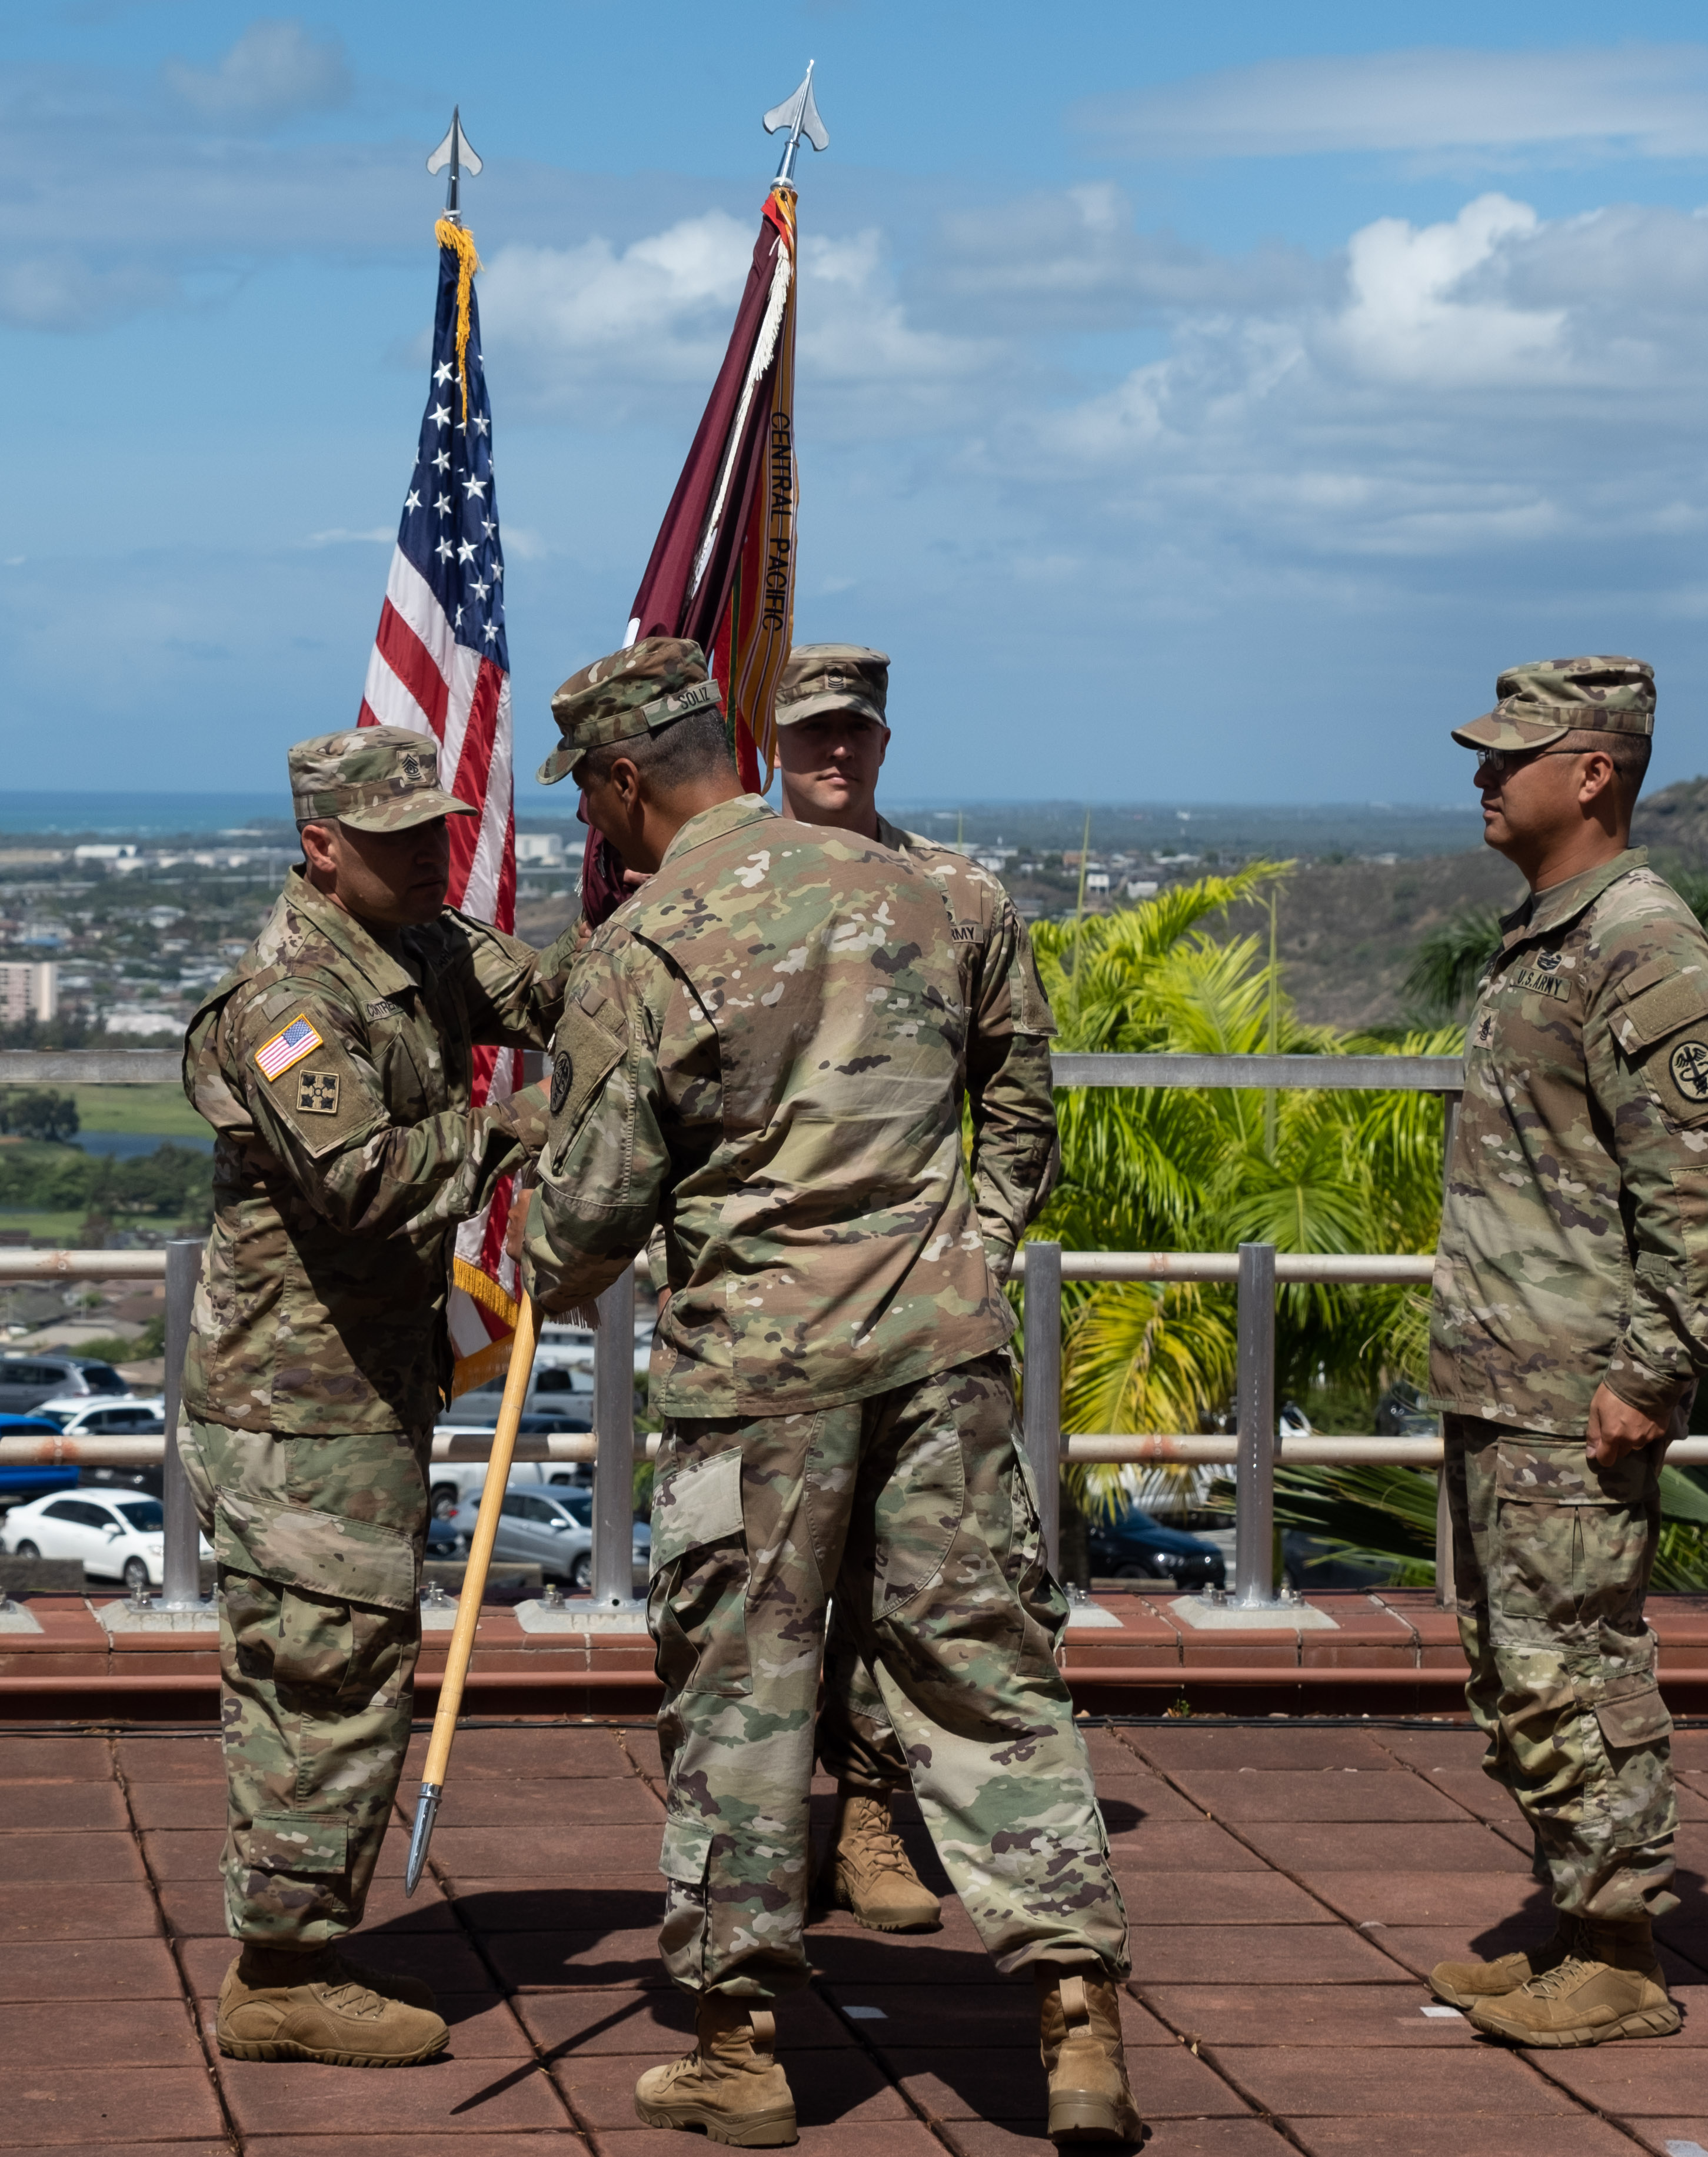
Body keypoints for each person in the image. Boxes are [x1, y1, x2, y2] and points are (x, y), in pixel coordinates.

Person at [521, 637, 1139, 2149]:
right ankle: (1074, 2015)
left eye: (590, 802)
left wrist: (536, 1204)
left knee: (743, 1694)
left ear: (619, 781)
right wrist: (968, 1250)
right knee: (984, 1669)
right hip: (944, 1352)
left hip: (757, 1380)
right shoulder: (935, 896)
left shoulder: (643, 950)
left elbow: (576, 1237)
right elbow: (1016, 1097)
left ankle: (737, 2048)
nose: (593, 828)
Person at [181, 730, 575, 2067]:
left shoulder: (423, 941)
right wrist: (510, 1130)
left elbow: (557, 997)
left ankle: (295, 1944)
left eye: (437, 828)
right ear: (320, 846)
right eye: (398, 836)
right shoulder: (287, 1000)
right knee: (325, 1672)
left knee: (344, 1660)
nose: (429, 852)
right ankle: (283, 1974)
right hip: (294, 1406)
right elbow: (361, 1180)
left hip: (362, 1387)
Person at [1423, 657, 1708, 2049]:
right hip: (1505, 1376)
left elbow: (1699, 1187)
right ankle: (1574, 1920)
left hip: (1573, 1386)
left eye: (1513, 755)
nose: (1485, 776)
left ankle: (1619, 1954)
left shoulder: (1639, 940)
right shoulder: (1545, 933)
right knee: (1516, 1671)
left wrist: (1652, 1372)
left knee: (1577, 1665)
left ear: (1594, 772)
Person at [771, 643, 1061, 1938]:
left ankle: (876, 1822)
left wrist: (977, 1243)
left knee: (918, 1587)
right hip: (764, 1317)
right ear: (772, 745)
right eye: (810, 734)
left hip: (919, 1312)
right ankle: (761, 1840)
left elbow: (1017, 1098)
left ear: (884, 743)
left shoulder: (961, 898)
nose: (834, 752)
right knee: (758, 1597)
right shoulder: (712, 895)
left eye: (854, 733)